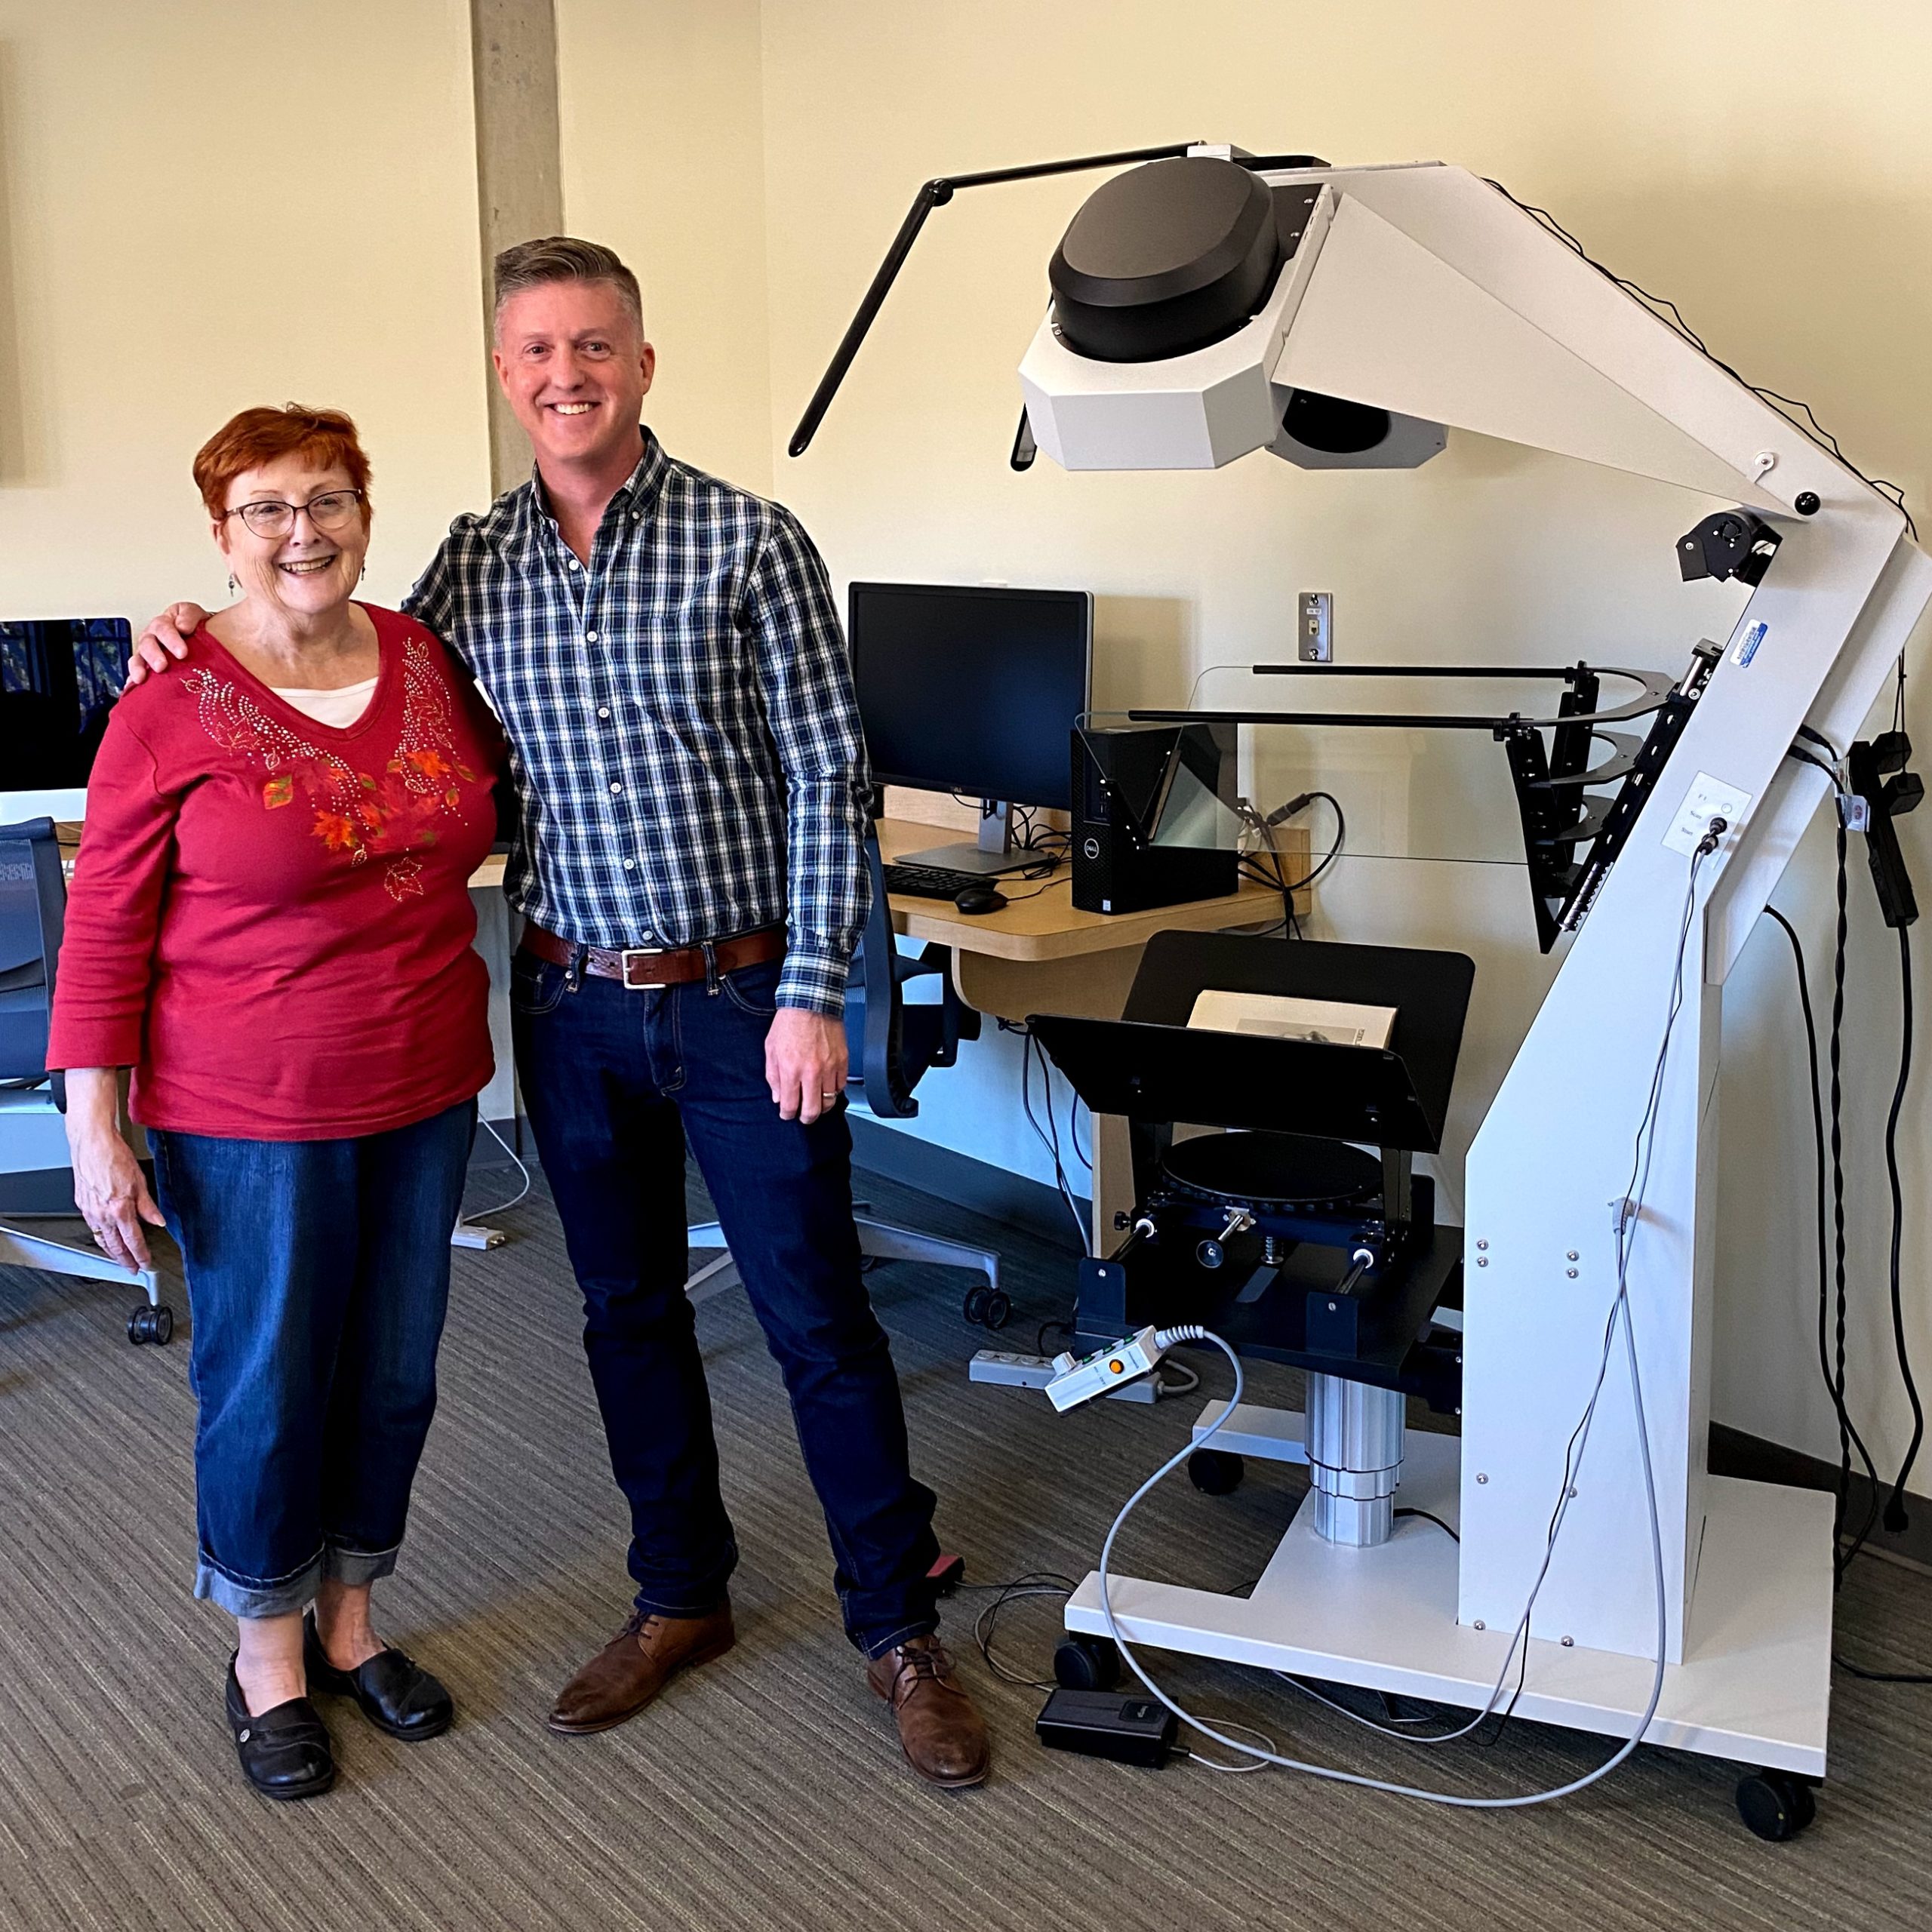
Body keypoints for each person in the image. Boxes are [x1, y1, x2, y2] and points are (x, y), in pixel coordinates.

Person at [133, 240, 992, 1789]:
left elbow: (827, 775)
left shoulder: (750, 540)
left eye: (593, 345)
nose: (564, 375)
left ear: (643, 364)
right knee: (624, 1313)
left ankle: (894, 1623)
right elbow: (339, 651)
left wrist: (811, 995)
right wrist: (194, 627)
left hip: (742, 1000)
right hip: (571, 999)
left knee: (813, 1314)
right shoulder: (470, 567)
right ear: (504, 373)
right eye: (534, 350)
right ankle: (679, 1592)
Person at [55, 405, 504, 1800]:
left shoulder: (426, 656)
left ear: (367, 513)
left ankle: (353, 1622)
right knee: (263, 1382)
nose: (300, 532)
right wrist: (95, 1128)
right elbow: (106, 927)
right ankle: (265, 1654)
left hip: (423, 1085)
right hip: (244, 1106)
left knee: (392, 1372)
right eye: (265, 509)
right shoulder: (166, 705)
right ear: (222, 534)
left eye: (326, 501)